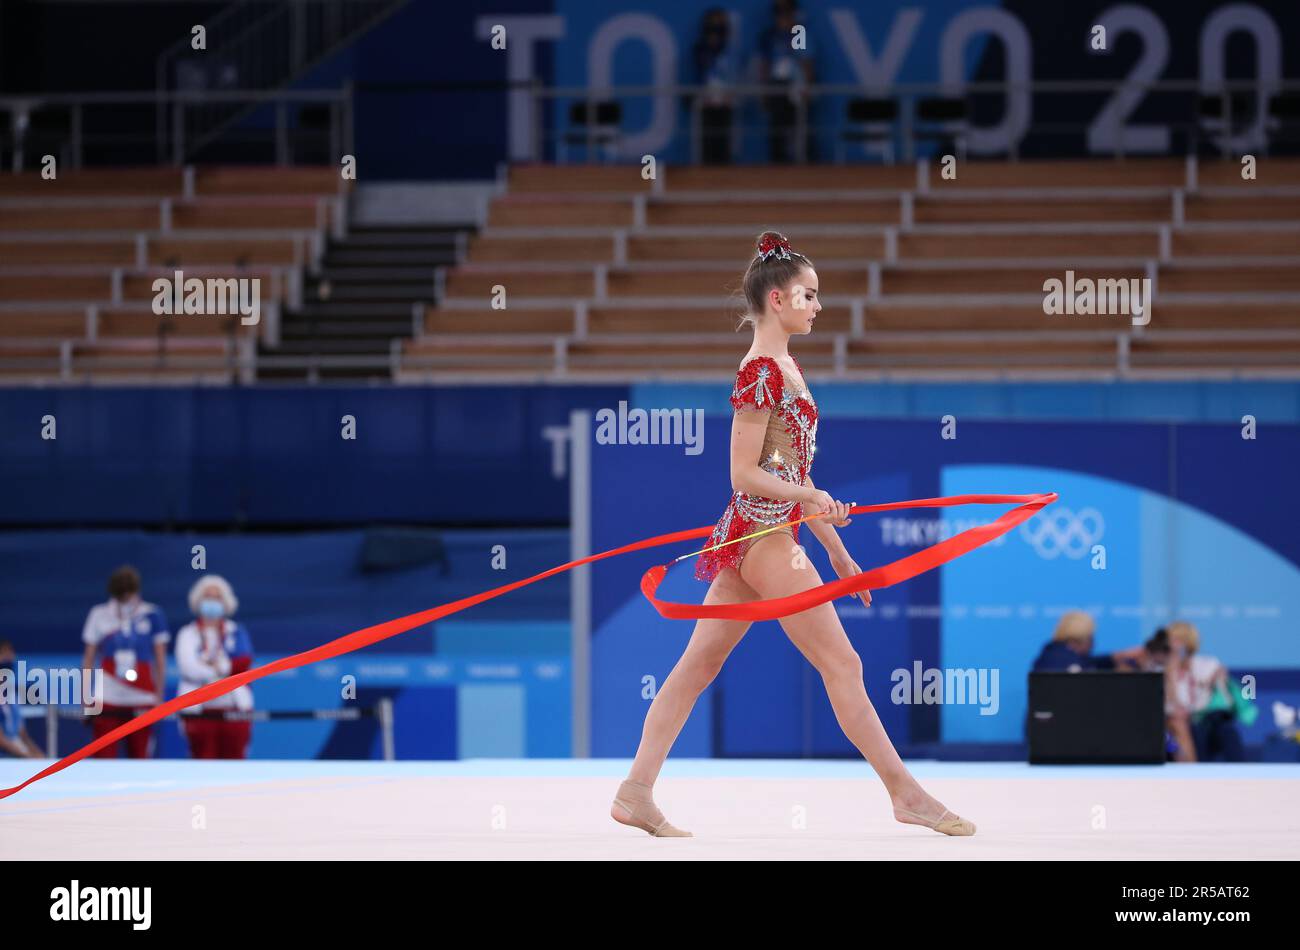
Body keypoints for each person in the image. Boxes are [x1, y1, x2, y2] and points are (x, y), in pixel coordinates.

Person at [612, 230, 975, 838]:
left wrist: (837, 549)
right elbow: (744, 473)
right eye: (808, 295)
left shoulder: (785, 366)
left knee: (698, 664)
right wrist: (809, 500)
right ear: (777, 299)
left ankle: (635, 791)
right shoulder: (760, 371)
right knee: (843, 662)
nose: (817, 306)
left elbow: (794, 471)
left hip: (762, 536)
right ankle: (905, 794)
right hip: (763, 534)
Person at [80, 565, 169, 758]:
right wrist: (86, 700)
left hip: (142, 696)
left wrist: (158, 697)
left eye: (128, 595)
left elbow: (160, 660)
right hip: (107, 697)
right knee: (103, 760)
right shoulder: (99, 614)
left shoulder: (153, 614)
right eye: (121, 596)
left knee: (140, 760)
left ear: (137, 591)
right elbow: (88, 658)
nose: (125, 599)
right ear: (113, 593)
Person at [175, 575, 254, 759]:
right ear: (198, 601)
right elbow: (189, 668)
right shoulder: (187, 633)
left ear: (225, 601)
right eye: (207, 597)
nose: (212, 601)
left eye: (217, 597)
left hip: (234, 708)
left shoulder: (237, 631)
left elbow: (244, 662)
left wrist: (218, 666)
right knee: (202, 761)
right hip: (199, 709)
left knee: (234, 762)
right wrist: (219, 670)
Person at [1166, 620, 1245, 762]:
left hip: (1204, 719)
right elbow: (1169, 705)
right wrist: (1171, 674)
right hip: (1173, 724)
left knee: (1226, 730)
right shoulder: (1161, 670)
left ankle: (1243, 775)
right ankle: (1190, 773)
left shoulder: (1208, 665)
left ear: (1188, 643)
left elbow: (1223, 702)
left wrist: (1217, 682)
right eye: (1170, 641)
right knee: (1178, 725)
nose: (1173, 646)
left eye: (1177, 640)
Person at [756, 0, 816, 162]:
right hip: (776, 86)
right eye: (779, 13)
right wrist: (764, 91)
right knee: (777, 129)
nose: (783, 17)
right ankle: (777, 166)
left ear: (793, 14)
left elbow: (806, 62)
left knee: (801, 128)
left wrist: (808, 86)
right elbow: (764, 64)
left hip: (796, 85)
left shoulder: (799, 33)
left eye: (786, 13)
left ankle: (807, 165)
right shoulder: (769, 36)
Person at [692, 8, 739, 164]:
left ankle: (726, 176)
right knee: (707, 145)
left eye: (719, 28)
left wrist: (730, 96)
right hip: (706, 104)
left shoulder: (731, 52)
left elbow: (735, 75)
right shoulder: (700, 51)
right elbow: (695, 76)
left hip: (726, 104)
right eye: (712, 28)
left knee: (724, 145)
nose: (715, 34)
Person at [1030, 610, 1144, 672]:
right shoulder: (1067, 663)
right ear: (1079, 640)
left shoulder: (1051, 652)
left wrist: (1116, 657)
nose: (1093, 644)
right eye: (1091, 638)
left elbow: (1090, 662)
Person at [0, 640, 45, 758]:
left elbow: (22, 735)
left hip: (16, 753)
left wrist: (39, 756)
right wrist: (28, 756)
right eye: (3, 653)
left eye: (10, 653)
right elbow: (2, 741)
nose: (9, 657)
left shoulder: (12, 695)